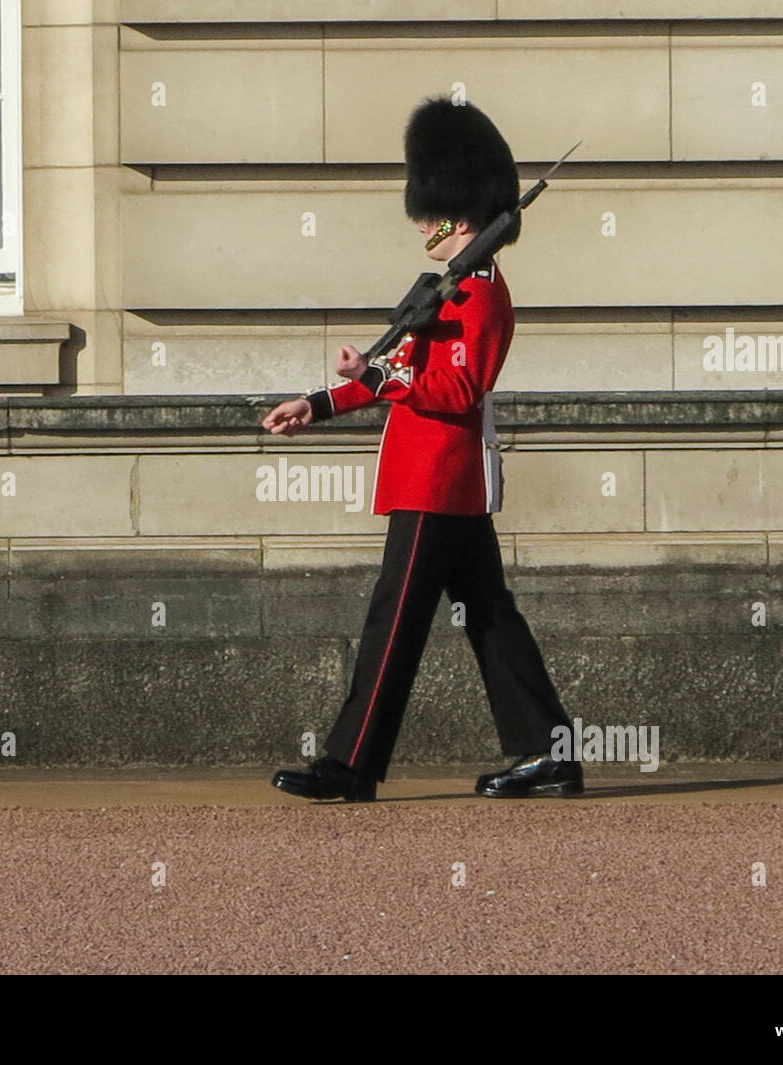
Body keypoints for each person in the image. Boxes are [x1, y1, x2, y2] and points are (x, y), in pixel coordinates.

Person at [261, 96, 580, 802]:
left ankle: (350, 763)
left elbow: (455, 387)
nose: (418, 223)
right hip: (438, 481)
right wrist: (317, 403)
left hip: (437, 479)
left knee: (393, 621)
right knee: (491, 617)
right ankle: (548, 749)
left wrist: (376, 375)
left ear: (458, 216)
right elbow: (393, 366)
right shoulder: (449, 288)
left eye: (427, 210)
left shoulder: (483, 295)